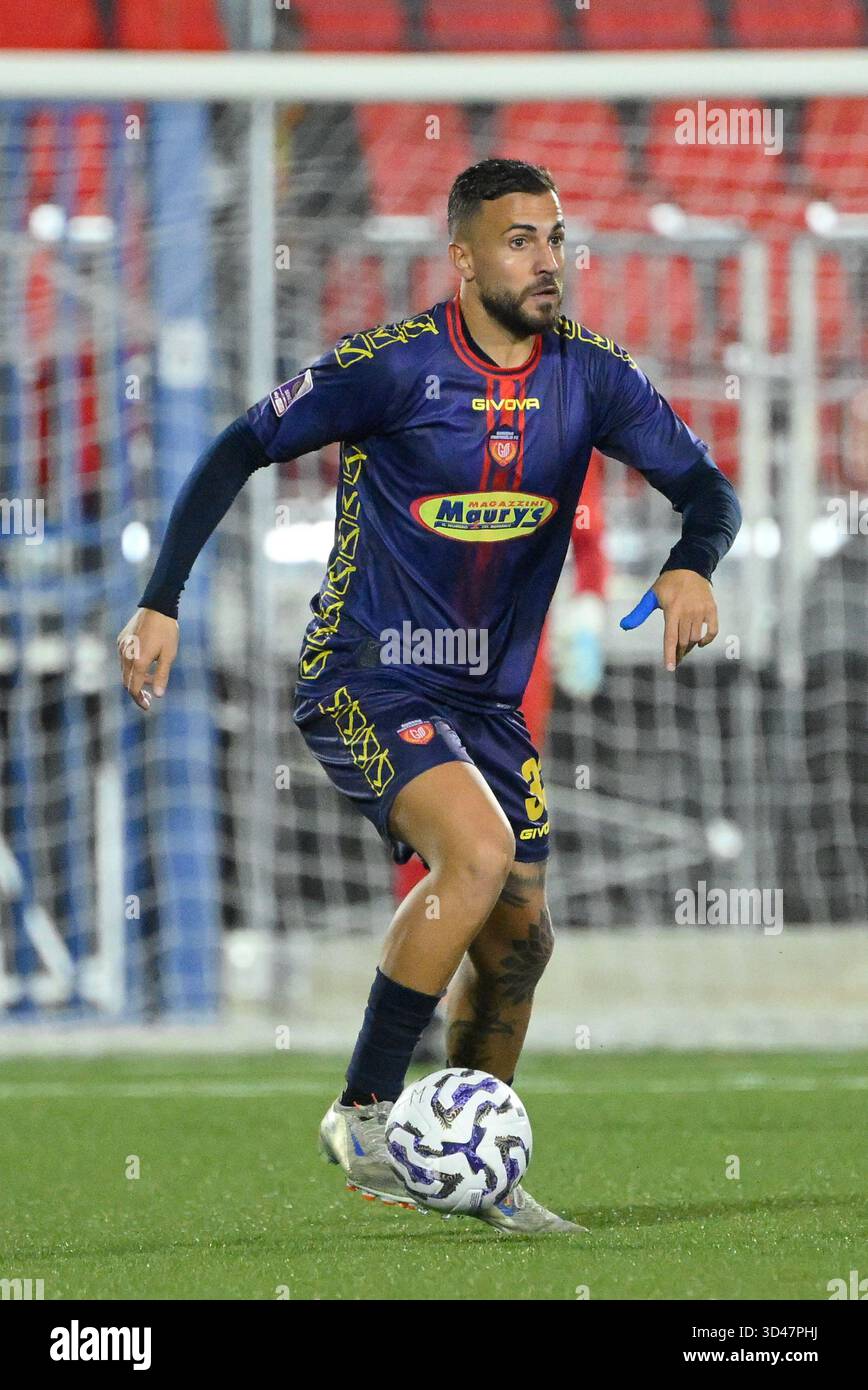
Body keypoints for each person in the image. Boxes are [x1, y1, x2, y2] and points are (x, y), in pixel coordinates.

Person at [117, 158, 741, 1234]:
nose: (547, 260)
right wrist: (160, 600)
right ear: (461, 257)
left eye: (554, 237)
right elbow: (237, 446)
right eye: (518, 240)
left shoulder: (592, 378)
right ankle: (364, 1107)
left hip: (487, 706)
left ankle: (474, 1166)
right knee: (478, 856)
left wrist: (695, 560)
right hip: (367, 671)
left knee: (520, 943)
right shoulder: (388, 367)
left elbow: (707, 491)